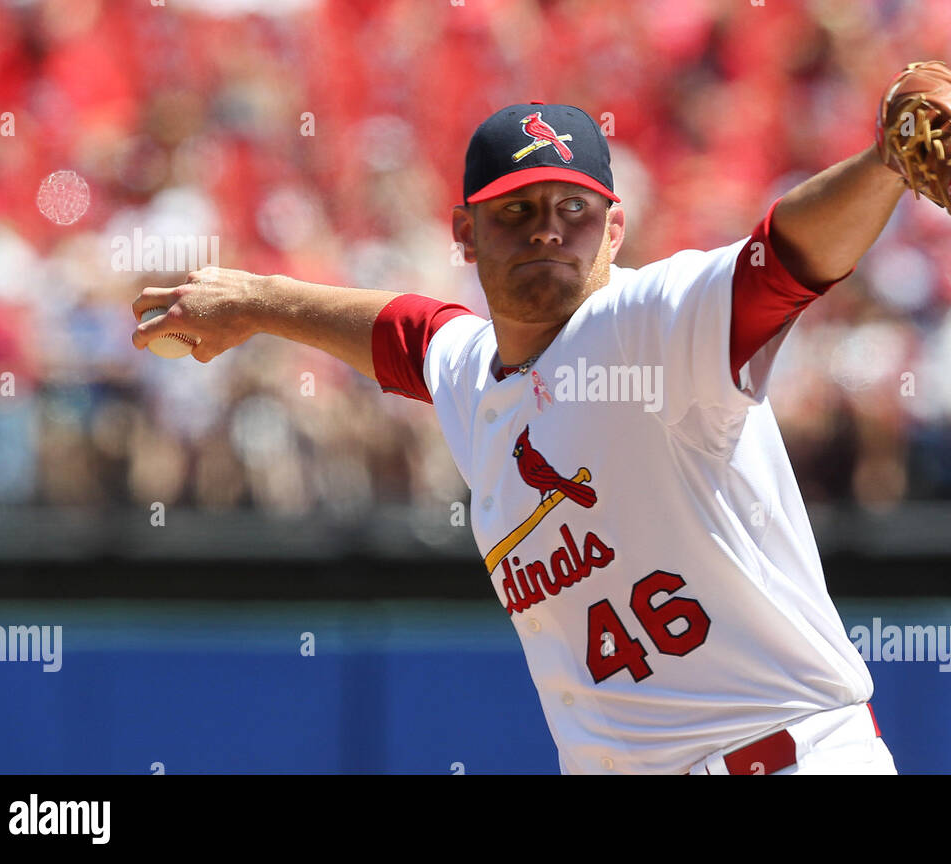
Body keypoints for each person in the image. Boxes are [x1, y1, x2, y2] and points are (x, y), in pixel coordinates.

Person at [132, 102, 908, 774]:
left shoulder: (649, 324)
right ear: (465, 234)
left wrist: (885, 163)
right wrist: (258, 300)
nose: (548, 231)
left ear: (615, 229)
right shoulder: (474, 376)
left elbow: (783, 262)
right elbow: (410, 335)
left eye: (574, 209)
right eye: (516, 211)